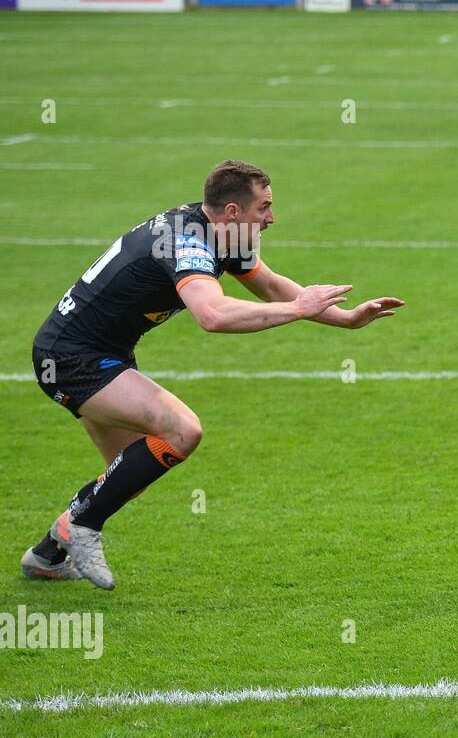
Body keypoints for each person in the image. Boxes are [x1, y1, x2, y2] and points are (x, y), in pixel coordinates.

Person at [22, 161, 404, 589]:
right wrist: (298, 310)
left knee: (125, 476)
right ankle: (82, 527)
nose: (272, 218)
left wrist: (346, 319)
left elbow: (272, 286)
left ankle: (47, 555)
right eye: (265, 207)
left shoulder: (225, 232)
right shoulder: (185, 241)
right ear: (234, 211)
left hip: (105, 354)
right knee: (182, 431)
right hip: (69, 359)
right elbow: (212, 314)